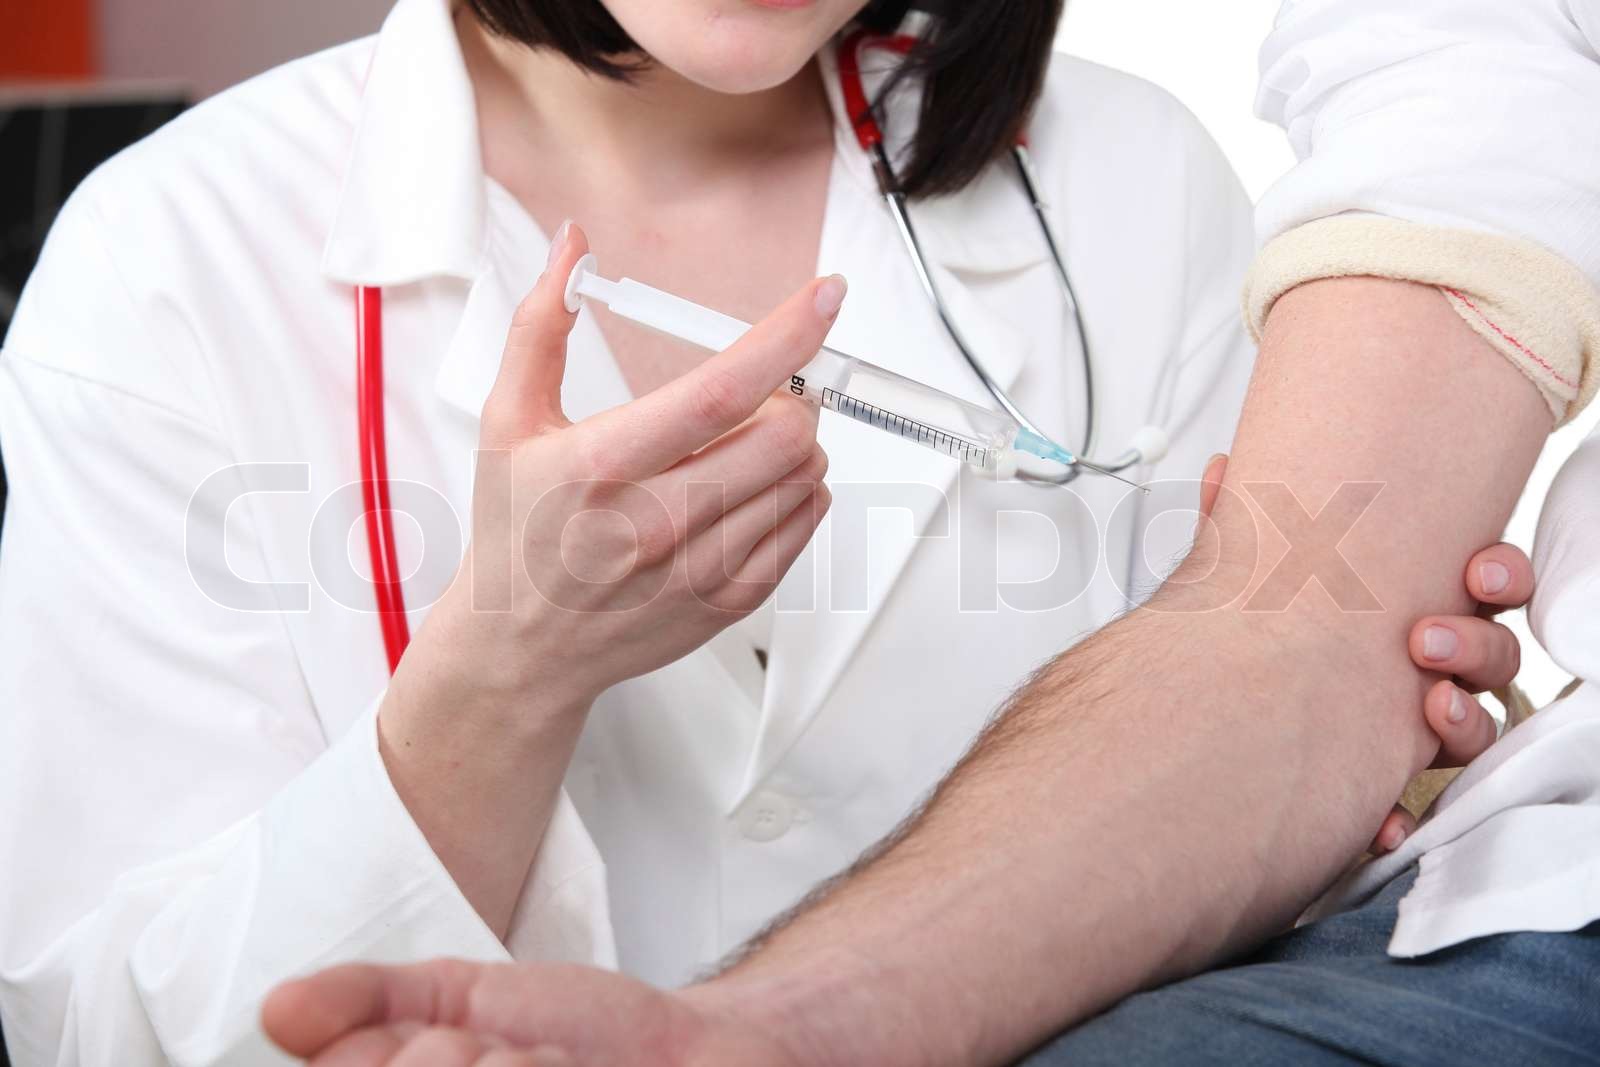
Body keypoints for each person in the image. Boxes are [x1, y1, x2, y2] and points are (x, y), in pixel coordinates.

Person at [2, 0, 1487, 1062]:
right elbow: (109, 1037)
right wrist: (503, 673)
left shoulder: (1130, 174)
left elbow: (1264, 778)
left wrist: (1365, 745)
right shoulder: (173, 261)